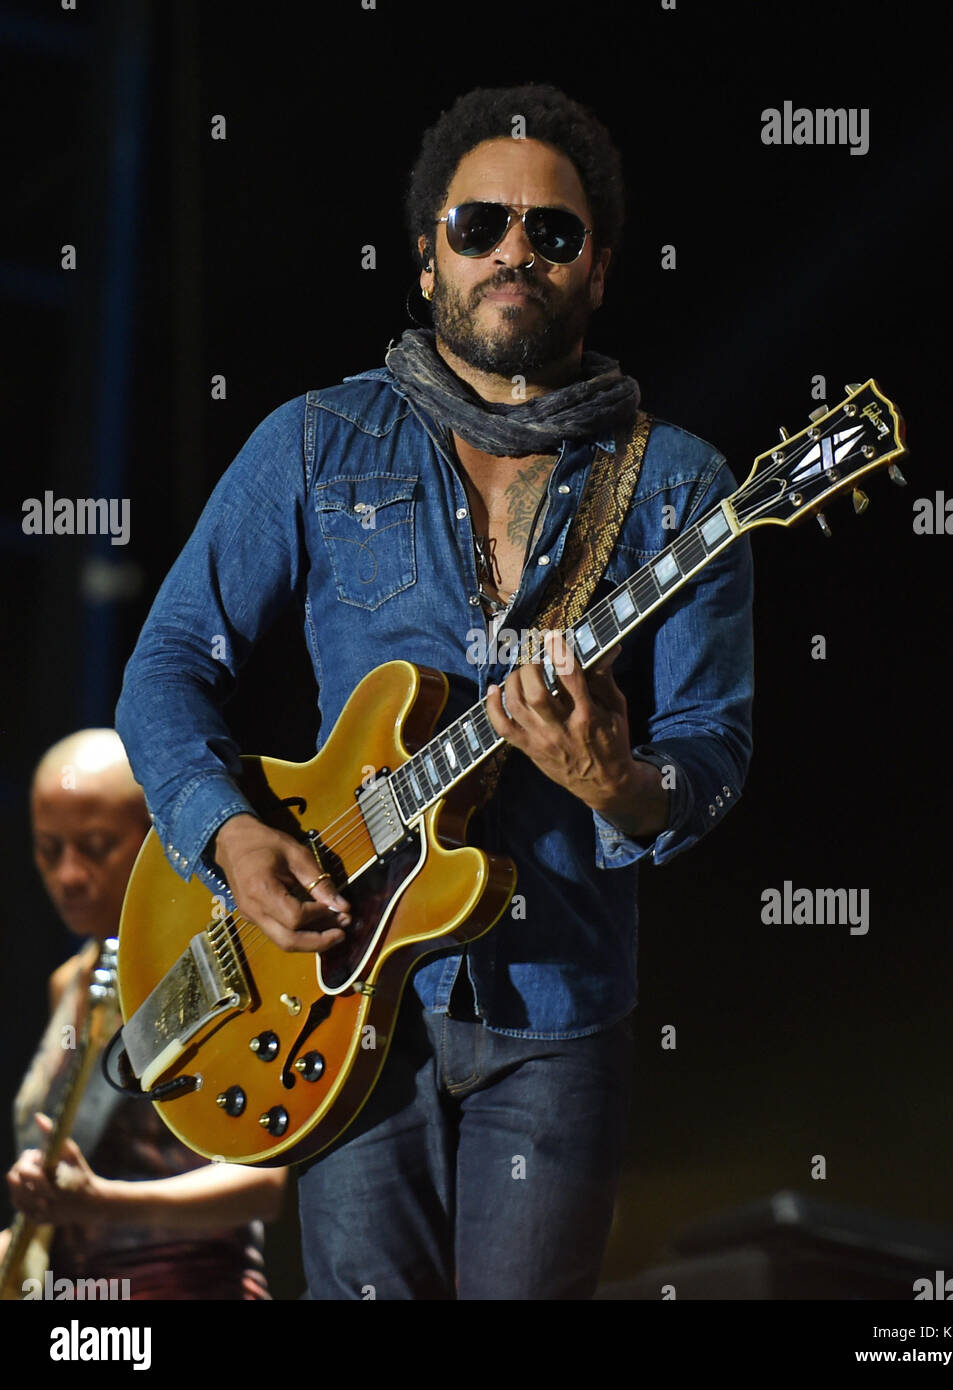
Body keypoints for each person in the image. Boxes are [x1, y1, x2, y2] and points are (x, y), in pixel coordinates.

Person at [115, 84, 754, 1299]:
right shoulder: (313, 443)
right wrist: (228, 830)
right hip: (338, 1006)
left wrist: (616, 784)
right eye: (480, 225)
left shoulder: (681, 488)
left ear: (597, 272)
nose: (515, 249)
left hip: (554, 1020)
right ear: (427, 258)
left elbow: (710, 759)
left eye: (552, 233)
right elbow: (164, 669)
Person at [1, 729, 287, 1300]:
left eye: (97, 844)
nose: (69, 876)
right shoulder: (69, 982)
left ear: (156, 837)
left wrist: (104, 1202)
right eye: (49, 849)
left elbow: (267, 1182)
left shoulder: (211, 963)